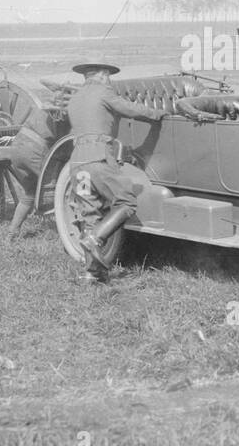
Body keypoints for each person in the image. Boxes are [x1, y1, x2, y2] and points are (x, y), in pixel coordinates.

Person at [67, 59, 215, 282]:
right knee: (126, 202)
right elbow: (130, 109)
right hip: (98, 159)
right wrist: (159, 115)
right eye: (108, 75)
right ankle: (96, 238)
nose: (109, 80)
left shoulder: (75, 99)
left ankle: (92, 272)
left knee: (90, 213)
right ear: (101, 75)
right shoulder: (103, 92)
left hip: (78, 164)